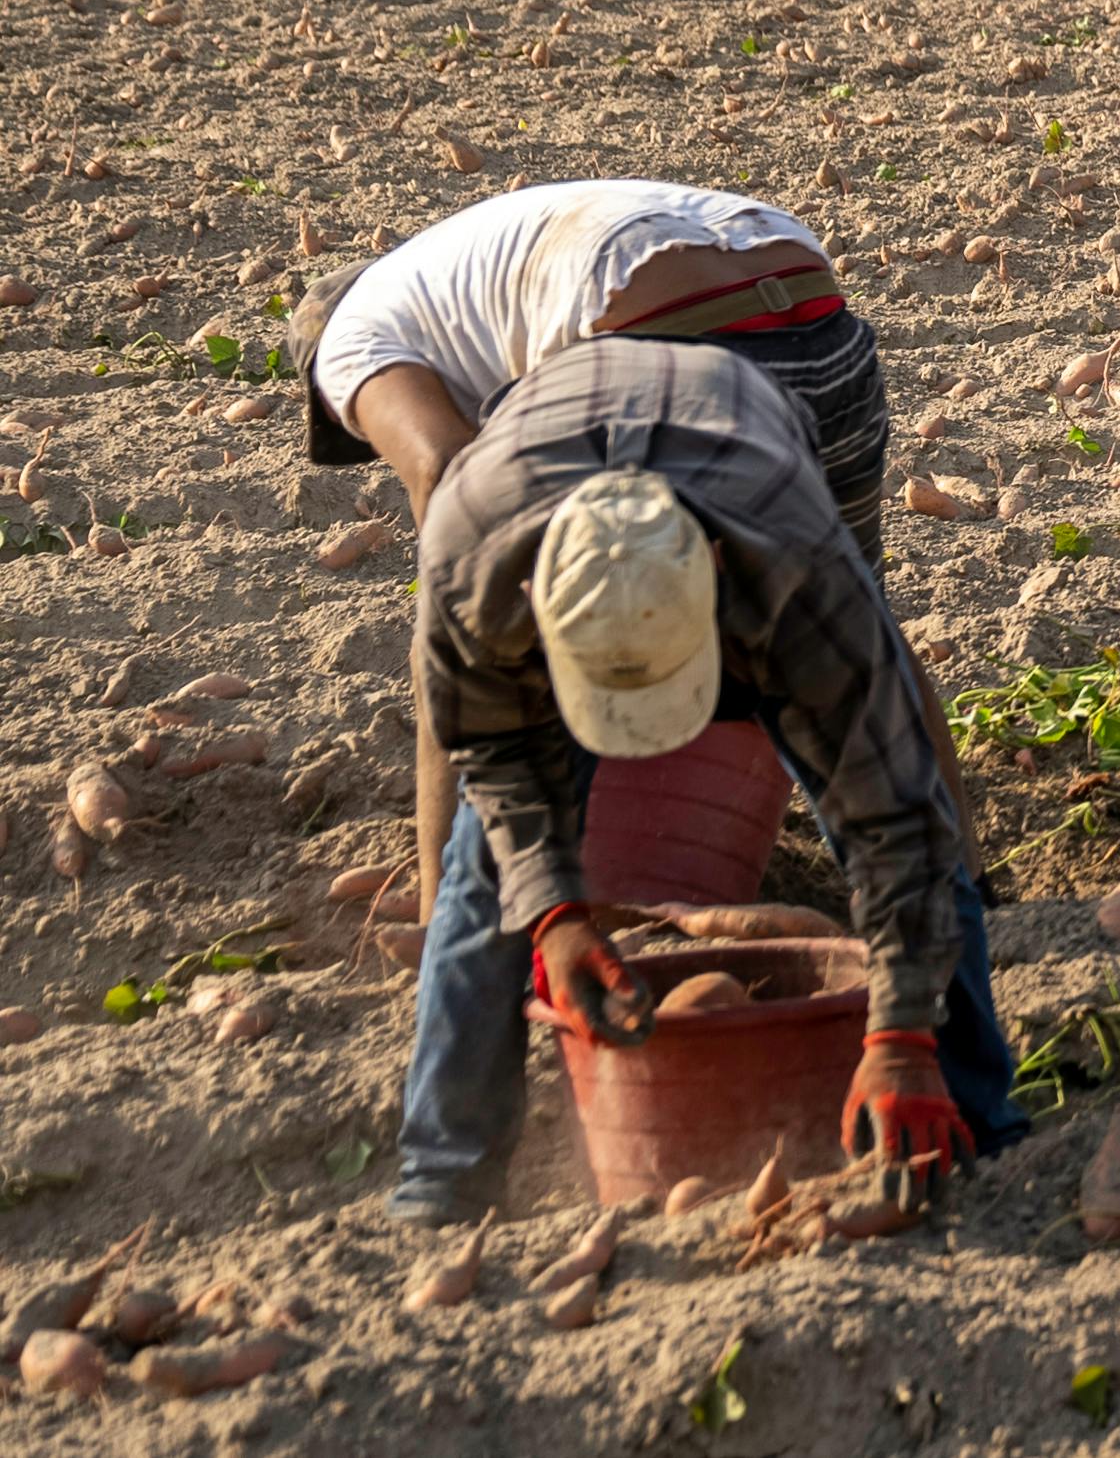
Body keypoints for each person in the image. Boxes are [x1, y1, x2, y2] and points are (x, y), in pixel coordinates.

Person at [394, 338, 1025, 1223]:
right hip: (541, 455)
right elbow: (499, 763)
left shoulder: (799, 572)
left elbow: (897, 821)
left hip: (740, 440)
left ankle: (969, 1116)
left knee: (903, 813)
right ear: (538, 611)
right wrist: (559, 916)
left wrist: (900, 1033)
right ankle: (443, 1176)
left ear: (718, 585)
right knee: (484, 862)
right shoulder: (472, 565)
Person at [289, 179, 955, 926]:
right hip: (810, 304)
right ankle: (956, 893)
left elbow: (444, 468)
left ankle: (460, 909)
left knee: (482, 629)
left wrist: (470, 600)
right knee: (853, 619)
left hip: (656, 333)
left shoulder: (350, 340)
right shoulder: (462, 264)